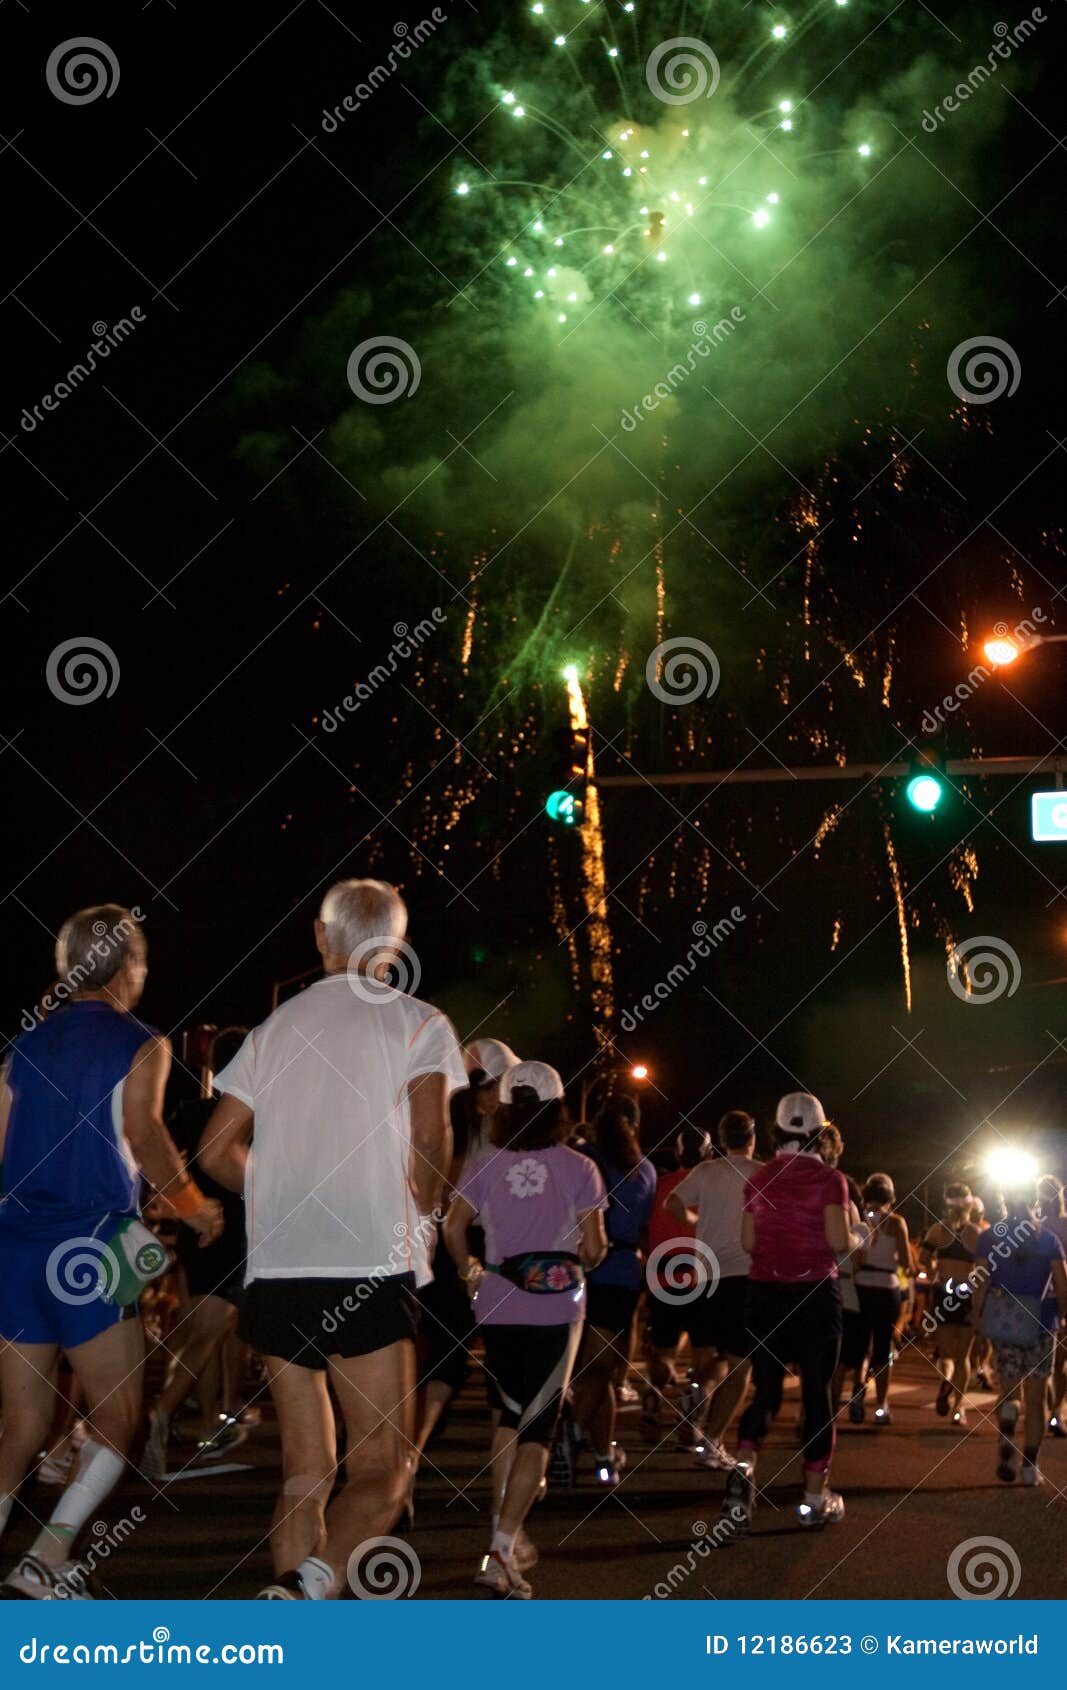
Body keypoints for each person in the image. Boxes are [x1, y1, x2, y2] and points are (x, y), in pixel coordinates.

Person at [199, 879, 467, 1600]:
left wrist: (282, 1187)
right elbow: (432, 1135)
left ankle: (292, 1620)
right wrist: (426, 1205)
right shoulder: (418, 1021)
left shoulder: (274, 1028)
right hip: (366, 1261)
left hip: (280, 1267)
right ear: (396, 948)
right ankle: (307, 1587)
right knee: (384, 1468)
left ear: (321, 939)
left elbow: (216, 1151)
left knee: (303, 1470)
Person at [0, 905, 222, 1598]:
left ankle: (40, 1557)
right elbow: (146, 1134)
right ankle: (47, 1560)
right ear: (127, 969)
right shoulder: (143, 1041)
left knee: (22, 1425)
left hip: (14, 1245)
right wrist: (193, 1205)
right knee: (120, 1417)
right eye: (143, 964)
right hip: (97, 1243)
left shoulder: (22, 1046)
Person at [443, 1061, 607, 1598]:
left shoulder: (484, 1165)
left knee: (509, 1416)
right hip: (557, 1306)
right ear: (558, 1109)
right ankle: (500, 1549)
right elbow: (595, 1247)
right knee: (540, 1422)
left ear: (507, 1109)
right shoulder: (581, 1167)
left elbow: (451, 1225)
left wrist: (471, 1272)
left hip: (496, 1301)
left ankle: (504, 1533)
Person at [720, 1093, 849, 1532]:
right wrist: (858, 1233)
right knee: (817, 1394)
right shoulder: (830, 1179)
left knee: (766, 1392)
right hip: (813, 1295)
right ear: (820, 1131)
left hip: (764, 1294)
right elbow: (838, 1241)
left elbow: (749, 1243)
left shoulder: (759, 1178)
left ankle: (742, 1467)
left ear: (777, 1130)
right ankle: (814, 1497)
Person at [142, 1028, 252, 1480]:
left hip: (195, 1231)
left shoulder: (189, 1112)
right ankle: (160, 1415)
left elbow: (162, 1163)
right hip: (234, 1234)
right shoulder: (251, 1117)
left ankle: (208, 1424)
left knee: (202, 1333)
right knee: (208, 1333)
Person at [665, 1109, 760, 1469]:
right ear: (752, 1139)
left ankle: (698, 1391)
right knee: (740, 1366)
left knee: (711, 1356)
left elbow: (671, 1203)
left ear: (721, 1141)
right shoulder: (762, 1173)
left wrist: (695, 1220)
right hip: (744, 1275)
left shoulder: (705, 1171)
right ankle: (712, 1442)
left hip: (705, 1276)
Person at [571, 1097, 656, 1484]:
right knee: (599, 1369)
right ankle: (568, 1438)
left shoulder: (580, 1157)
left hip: (573, 1269)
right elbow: (642, 1226)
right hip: (618, 1274)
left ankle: (599, 1452)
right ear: (635, 1127)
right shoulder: (645, 1170)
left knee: (587, 1372)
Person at [971, 1177, 1067, 1486]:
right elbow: (1061, 1284)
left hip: (1003, 1320)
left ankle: (1009, 1417)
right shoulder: (1048, 1239)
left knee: (1009, 1391)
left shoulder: (989, 1237)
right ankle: (1029, 1467)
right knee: (1037, 1398)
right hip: (1040, 1323)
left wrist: (977, 1316)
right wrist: (1064, 1316)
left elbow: (980, 1281)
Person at [641, 1125, 710, 1440]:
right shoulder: (712, 1187)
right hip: (702, 1275)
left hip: (662, 1273)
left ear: (678, 1154)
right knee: (705, 1355)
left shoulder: (661, 1186)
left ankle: (654, 1394)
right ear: (708, 1153)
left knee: (664, 1350)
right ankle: (690, 1413)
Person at [918, 1182, 981, 1429]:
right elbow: (984, 1269)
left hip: (944, 1292)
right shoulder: (975, 1233)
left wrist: (935, 1267)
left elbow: (924, 1259)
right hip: (965, 1295)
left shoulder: (937, 1230)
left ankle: (945, 1379)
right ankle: (959, 1408)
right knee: (963, 1355)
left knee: (945, 1353)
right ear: (969, 1204)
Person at [817, 1128, 870, 1420]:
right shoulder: (845, 1198)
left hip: (798, 1283)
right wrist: (859, 1234)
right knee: (836, 1363)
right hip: (840, 1289)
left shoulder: (796, 1185)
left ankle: (808, 1418)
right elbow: (857, 1252)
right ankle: (823, 1421)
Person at [853, 1173, 910, 1426]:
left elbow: (854, 1257)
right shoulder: (896, 1222)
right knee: (883, 1347)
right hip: (887, 1288)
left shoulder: (859, 1220)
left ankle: (858, 1386)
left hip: (862, 1285)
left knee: (860, 1343)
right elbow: (908, 1264)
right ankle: (881, 1405)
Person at [1035, 1174, 1067, 1436]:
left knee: (1044, 1362)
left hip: (1039, 1298)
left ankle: (1049, 1410)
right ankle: (1056, 1411)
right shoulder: (1061, 1225)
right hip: (1058, 1296)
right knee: (1059, 1363)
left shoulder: (1034, 1225)